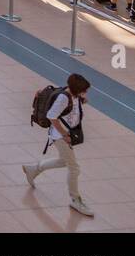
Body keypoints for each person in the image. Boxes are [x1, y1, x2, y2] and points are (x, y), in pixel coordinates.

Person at [22, 73, 93, 217]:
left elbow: (71, 110)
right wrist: (65, 135)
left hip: (63, 134)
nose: (85, 93)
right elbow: (51, 116)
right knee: (74, 168)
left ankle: (34, 169)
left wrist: (82, 100)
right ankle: (75, 199)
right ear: (76, 89)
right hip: (60, 136)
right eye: (84, 90)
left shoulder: (72, 95)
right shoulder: (63, 98)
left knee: (63, 161)